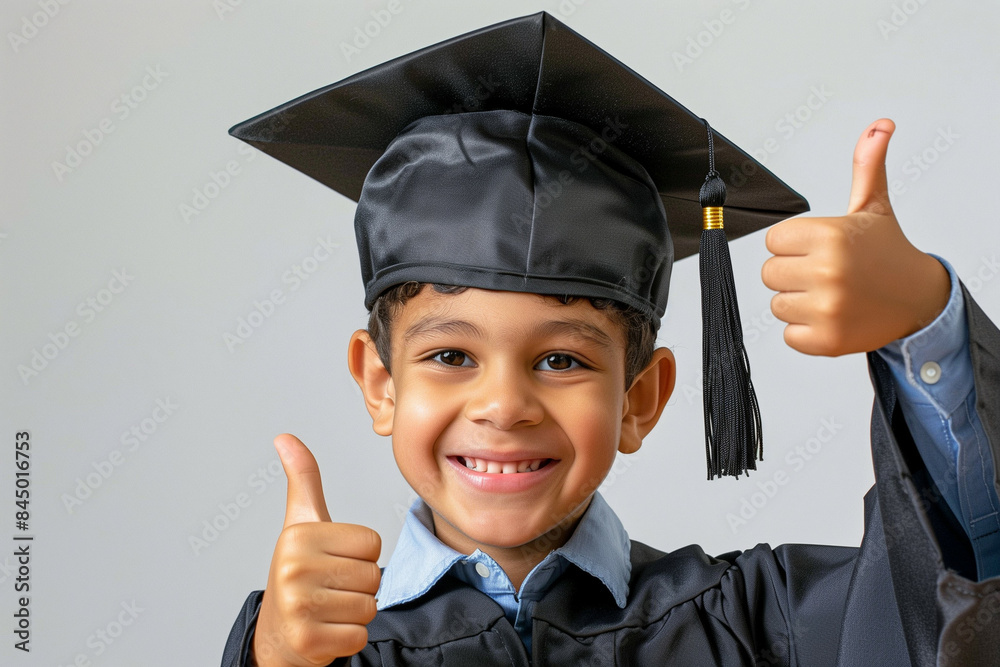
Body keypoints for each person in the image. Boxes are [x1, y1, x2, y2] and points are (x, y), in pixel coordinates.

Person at [222, 12, 1000, 667]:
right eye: (450, 356)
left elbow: (950, 596)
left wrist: (925, 326)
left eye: (560, 359)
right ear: (379, 381)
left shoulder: (760, 624)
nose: (503, 404)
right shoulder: (319, 643)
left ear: (640, 397)